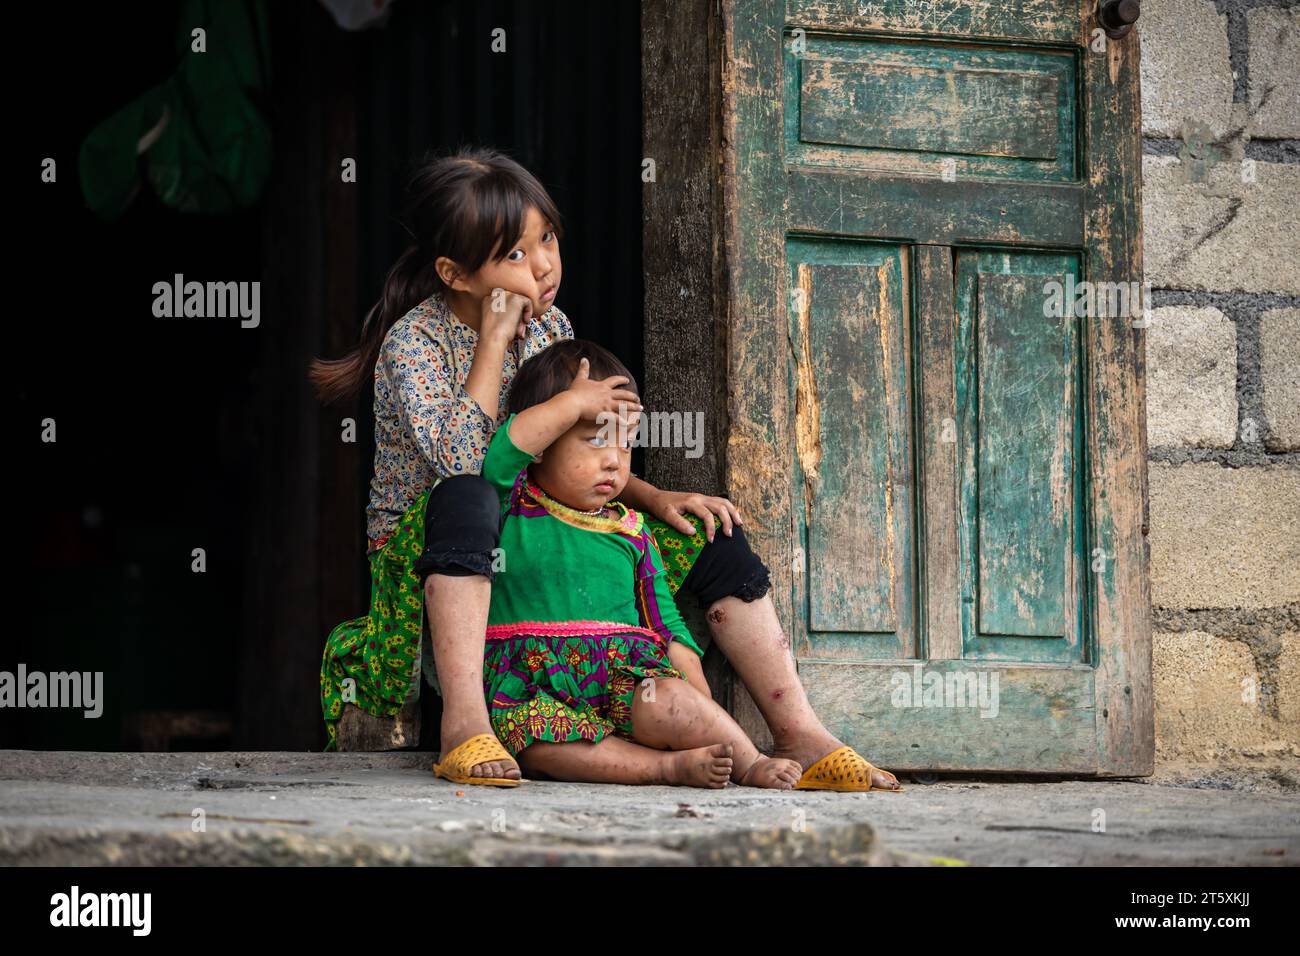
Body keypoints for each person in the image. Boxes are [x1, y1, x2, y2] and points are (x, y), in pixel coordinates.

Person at [313, 145, 902, 792]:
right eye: (513, 254)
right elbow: (466, 463)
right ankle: (467, 723)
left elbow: (580, 439)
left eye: (547, 239)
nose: (542, 266)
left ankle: (799, 731)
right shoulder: (414, 344)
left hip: (545, 517)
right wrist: (490, 340)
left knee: (712, 535)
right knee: (468, 493)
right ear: (455, 273)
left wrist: (649, 494)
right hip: (434, 544)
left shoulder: (551, 327)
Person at [442, 339, 803, 788]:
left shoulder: (631, 528)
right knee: (536, 742)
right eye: (594, 440)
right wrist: (571, 402)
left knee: (674, 701)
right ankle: (664, 769)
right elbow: (506, 450)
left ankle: (748, 763)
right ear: (543, 446)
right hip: (534, 686)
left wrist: (695, 697)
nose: (614, 461)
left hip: (625, 681)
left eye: (623, 443)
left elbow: (663, 618)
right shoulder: (511, 503)